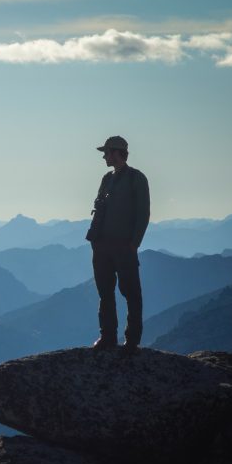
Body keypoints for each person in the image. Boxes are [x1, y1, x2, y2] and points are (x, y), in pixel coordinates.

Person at [85, 136, 150, 352]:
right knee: (105, 292)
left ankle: (132, 340)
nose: (104, 156)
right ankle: (108, 337)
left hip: (124, 246)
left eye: (106, 152)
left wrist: (134, 244)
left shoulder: (136, 178)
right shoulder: (106, 178)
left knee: (131, 293)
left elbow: (143, 214)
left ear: (116, 152)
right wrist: (95, 241)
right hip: (102, 245)